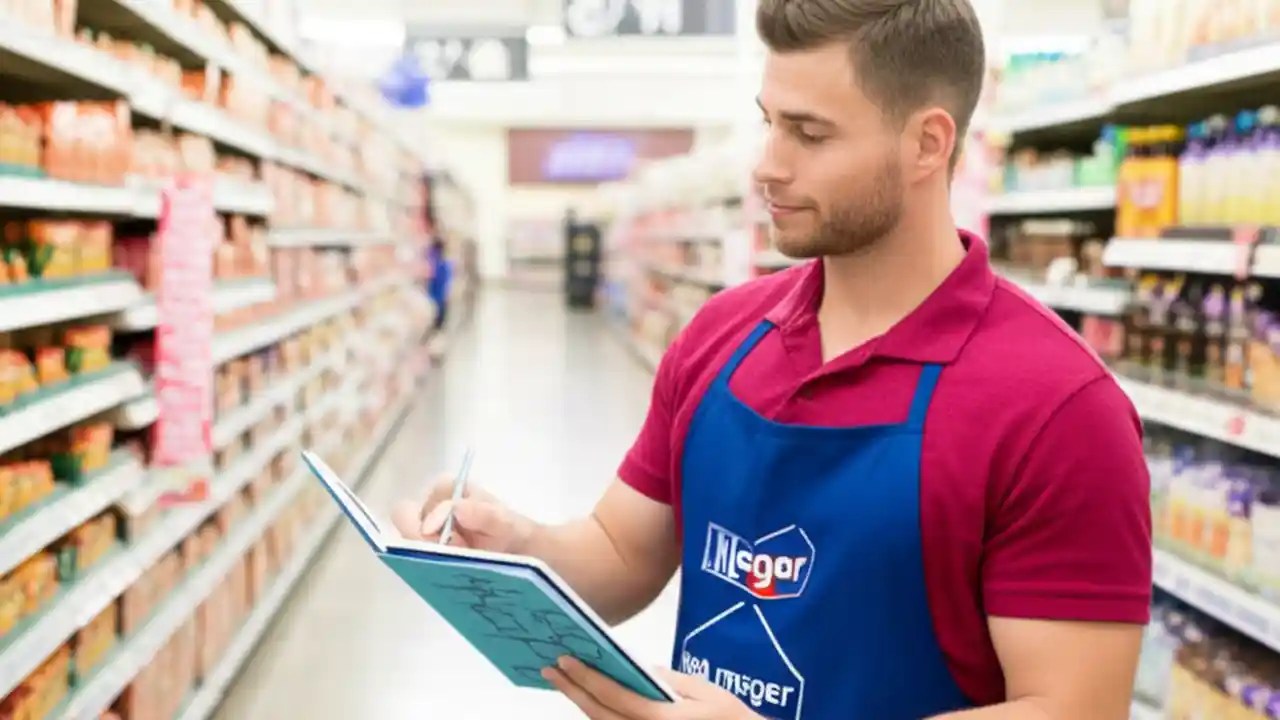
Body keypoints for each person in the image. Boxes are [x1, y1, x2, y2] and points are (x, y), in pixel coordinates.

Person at [393, 1, 1152, 718]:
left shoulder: (1058, 408)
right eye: (769, 123)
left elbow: (1071, 707)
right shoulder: (723, 335)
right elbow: (623, 552)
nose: (767, 166)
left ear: (928, 143)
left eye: (810, 135)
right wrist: (515, 550)